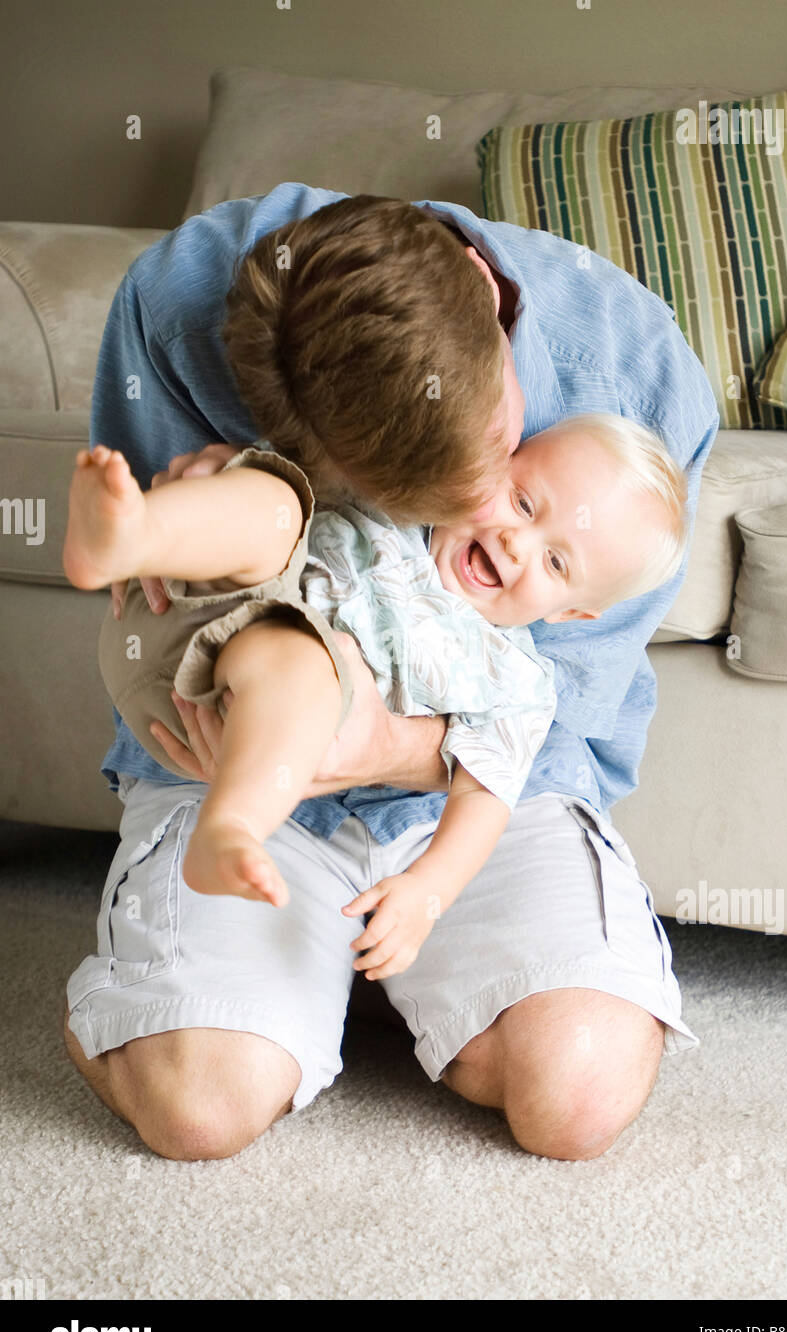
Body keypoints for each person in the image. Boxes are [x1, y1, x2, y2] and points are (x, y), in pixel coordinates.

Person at [64, 187, 720, 1163]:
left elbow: (543, 732)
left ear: (482, 297)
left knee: (576, 1097)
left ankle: (364, 973)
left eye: (496, 463)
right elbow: (167, 623)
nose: (499, 530)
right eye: (519, 497)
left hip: (466, 799)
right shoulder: (175, 309)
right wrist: (199, 503)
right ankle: (225, 953)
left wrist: (381, 747)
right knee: (197, 1110)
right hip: (249, 725)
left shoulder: (644, 386)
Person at [63, 411, 687, 981]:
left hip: (228, 703)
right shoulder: (402, 496)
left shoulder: (513, 683)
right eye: (522, 501)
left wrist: (427, 892)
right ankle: (132, 534)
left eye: (556, 562)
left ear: (574, 614)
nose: (516, 543)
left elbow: (484, 800)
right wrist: (222, 469)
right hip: (178, 599)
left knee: (309, 669)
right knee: (281, 498)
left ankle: (231, 826)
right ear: (496, 459)